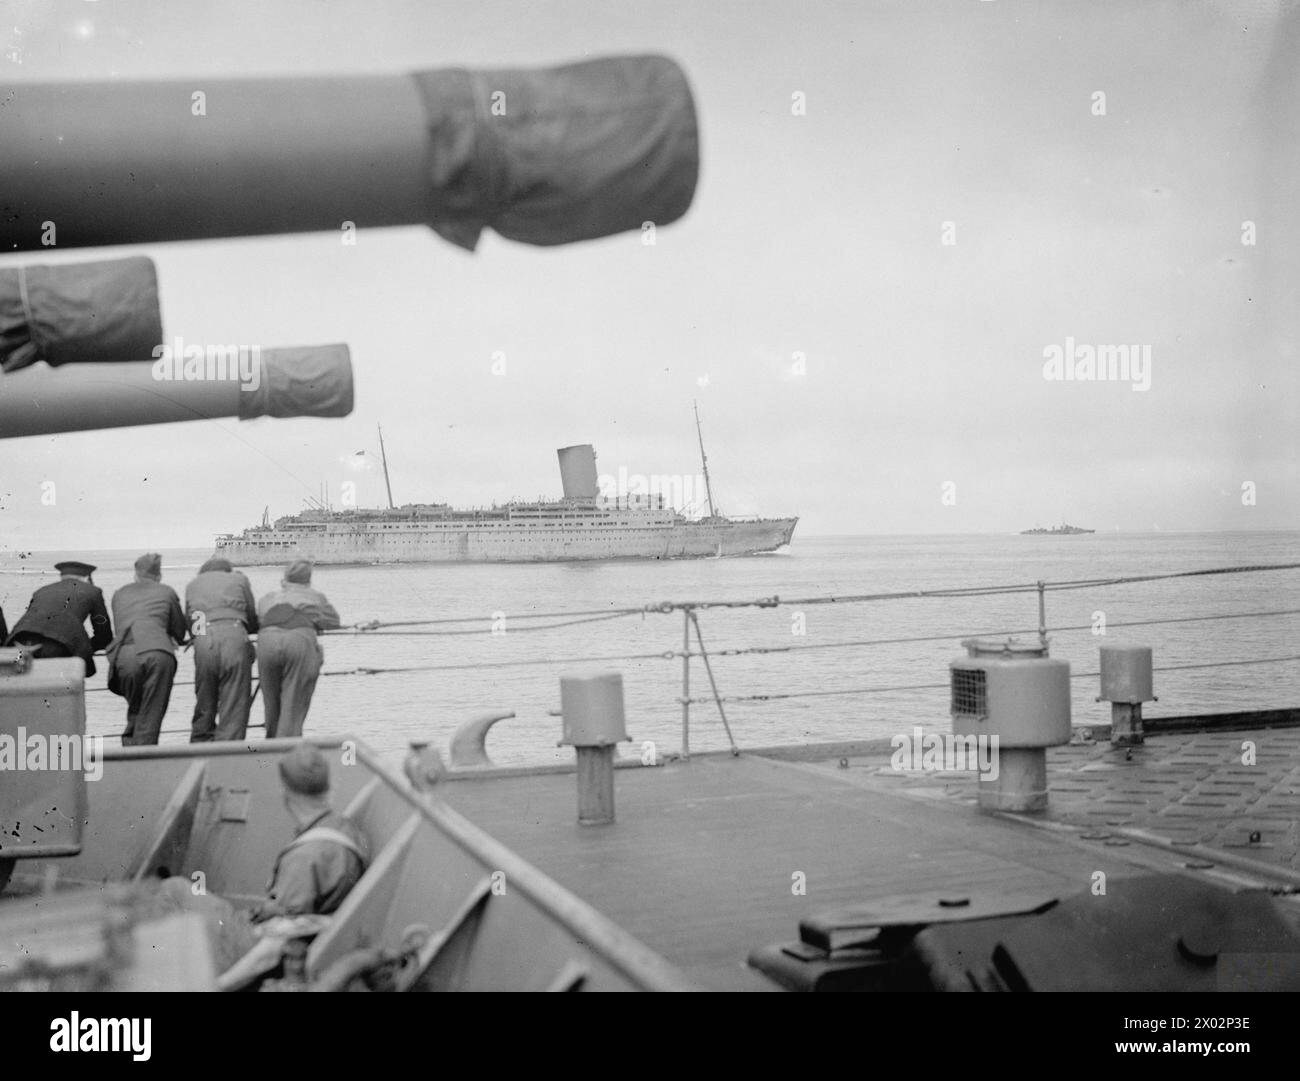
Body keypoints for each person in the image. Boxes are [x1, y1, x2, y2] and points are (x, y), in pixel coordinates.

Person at [106, 553, 187, 745]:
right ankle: (144, 758)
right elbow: (179, 630)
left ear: (135, 574)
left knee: (135, 707)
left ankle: (130, 749)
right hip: (157, 652)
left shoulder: (119, 594)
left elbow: (120, 626)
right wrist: (167, 635)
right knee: (152, 709)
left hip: (125, 655)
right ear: (158, 576)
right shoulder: (166, 592)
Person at [256, 559, 340, 738]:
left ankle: (270, 750)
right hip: (298, 641)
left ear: (284, 578)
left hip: (267, 642)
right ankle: (286, 753)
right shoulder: (314, 596)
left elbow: (259, 619)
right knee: (292, 706)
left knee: (271, 704)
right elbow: (333, 621)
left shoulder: (268, 598)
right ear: (308, 579)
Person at [184, 556, 259, 741]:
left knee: (204, 696)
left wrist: (199, 637)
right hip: (233, 634)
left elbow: (192, 619)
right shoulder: (239, 579)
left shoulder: (193, 584)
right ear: (227, 570)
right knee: (234, 701)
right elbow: (250, 615)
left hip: (203, 640)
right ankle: (228, 749)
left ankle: (201, 744)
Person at [4, 560, 112, 676]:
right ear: (87, 578)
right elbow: (103, 632)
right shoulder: (92, 591)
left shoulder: (42, 591)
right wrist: (90, 647)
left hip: (19, 642)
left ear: (62, 576)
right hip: (58, 646)